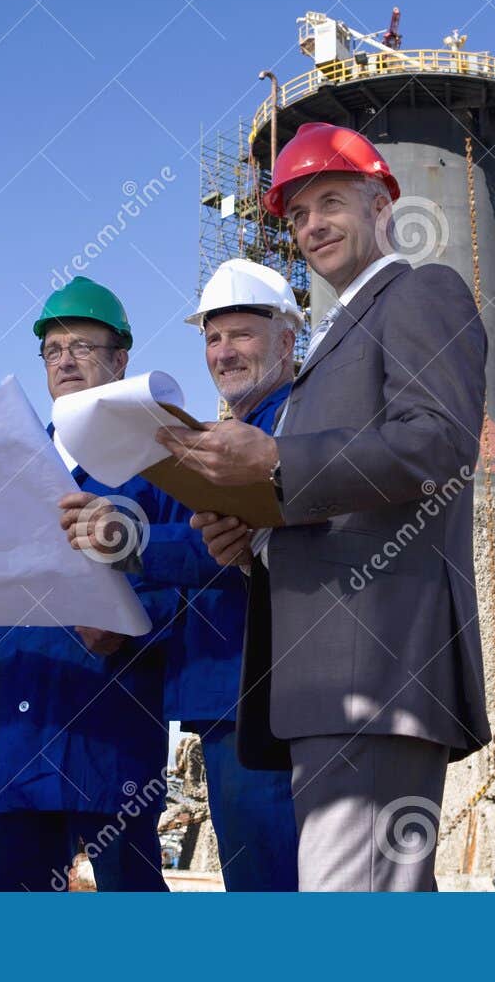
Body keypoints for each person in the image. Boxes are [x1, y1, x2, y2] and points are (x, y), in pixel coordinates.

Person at [157, 123, 491, 891]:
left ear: (383, 206)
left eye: (330, 202)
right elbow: (333, 498)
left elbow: (438, 441)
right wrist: (253, 537)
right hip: (323, 682)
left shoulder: (421, 292)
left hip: (373, 666)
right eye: (298, 215)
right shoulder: (335, 343)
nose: (310, 227)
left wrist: (275, 459)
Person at [0, 278, 181, 892]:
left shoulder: (161, 461)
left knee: (129, 897)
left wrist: (128, 630)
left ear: (120, 360)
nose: (64, 360)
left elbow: (190, 579)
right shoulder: (13, 463)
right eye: (52, 349)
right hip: (23, 715)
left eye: (82, 347)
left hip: (112, 723)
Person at [154, 259, 301, 890]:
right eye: (212, 338)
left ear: (288, 340)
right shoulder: (227, 434)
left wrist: (130, 541)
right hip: (227, 696)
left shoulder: (301, 424)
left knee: (277, 881)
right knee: (256, 879)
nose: (223, 352)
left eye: (240, 335)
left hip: (275, 697)